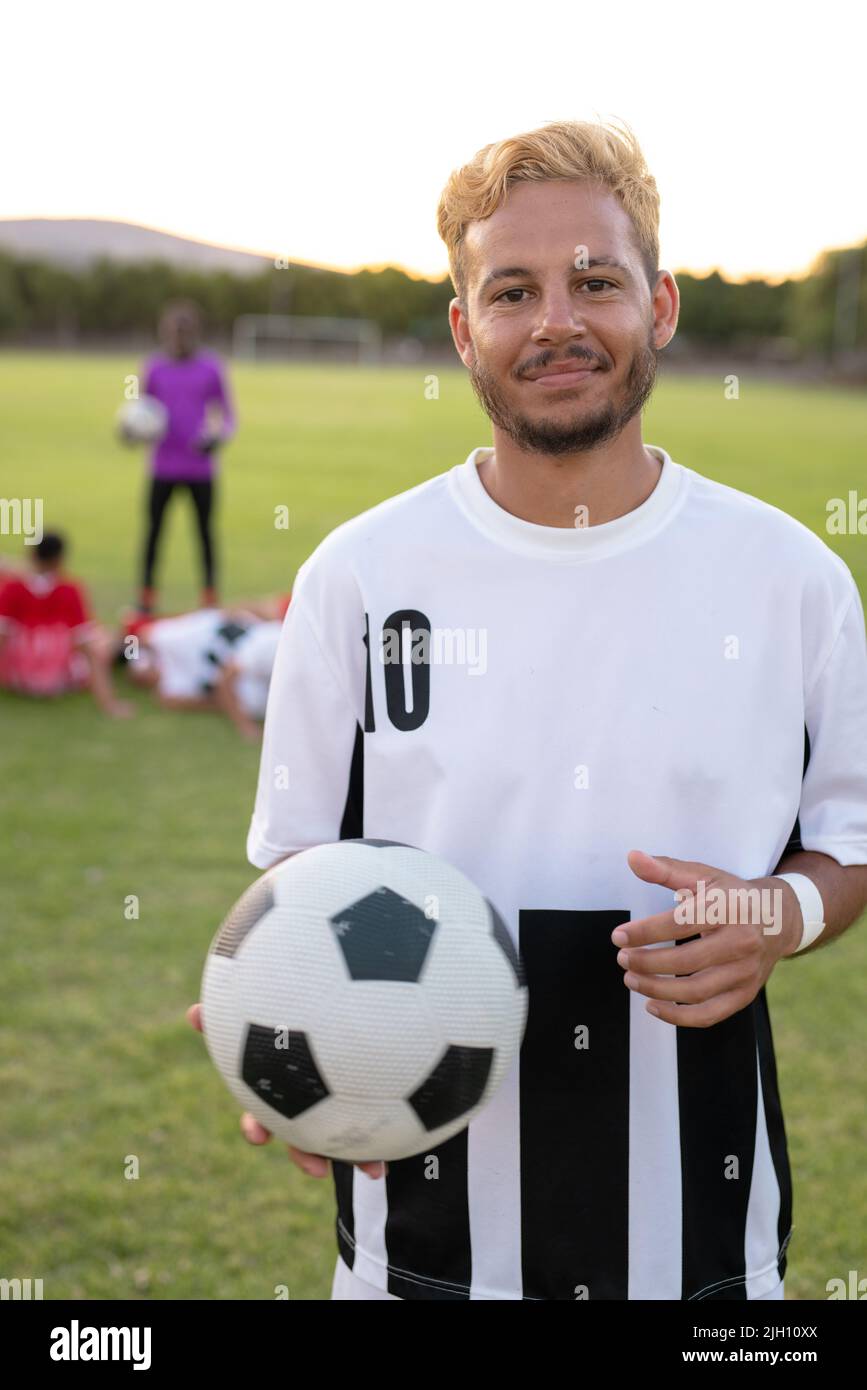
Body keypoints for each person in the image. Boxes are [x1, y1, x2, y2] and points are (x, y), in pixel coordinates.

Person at [189, 119, 867, 1301]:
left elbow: (849, 846)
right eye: (513, 291)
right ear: (465, 329)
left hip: (702, 1261)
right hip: (419, 1258)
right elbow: (298, 884)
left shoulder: (793, 578)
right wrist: (285, 1031)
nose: (557, 321)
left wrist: (781, 911)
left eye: (594, 281)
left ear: (658, 307)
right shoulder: (356, 576)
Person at [135, 300, 236, 614]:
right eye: (173, 332)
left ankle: (208, 596)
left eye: (184, 331)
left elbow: (228, 415)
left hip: (200, 468)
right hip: (162, 465)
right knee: (153, 532)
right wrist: (134, 431)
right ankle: (147, 597)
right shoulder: (153, 367)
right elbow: (141, 413)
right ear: (165, 332)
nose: (178, 338)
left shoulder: (211, 367)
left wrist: (218, 437)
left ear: (194, 332)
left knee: (204, 533)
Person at [0, 532, 131, 718]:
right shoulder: (69, 590)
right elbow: (87, 647)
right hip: (57, 679)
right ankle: (128, 654)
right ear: (60, 559)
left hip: (16, 677)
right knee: (103, 640)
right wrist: (109, 704)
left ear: (31, 554)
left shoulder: (13, 587)